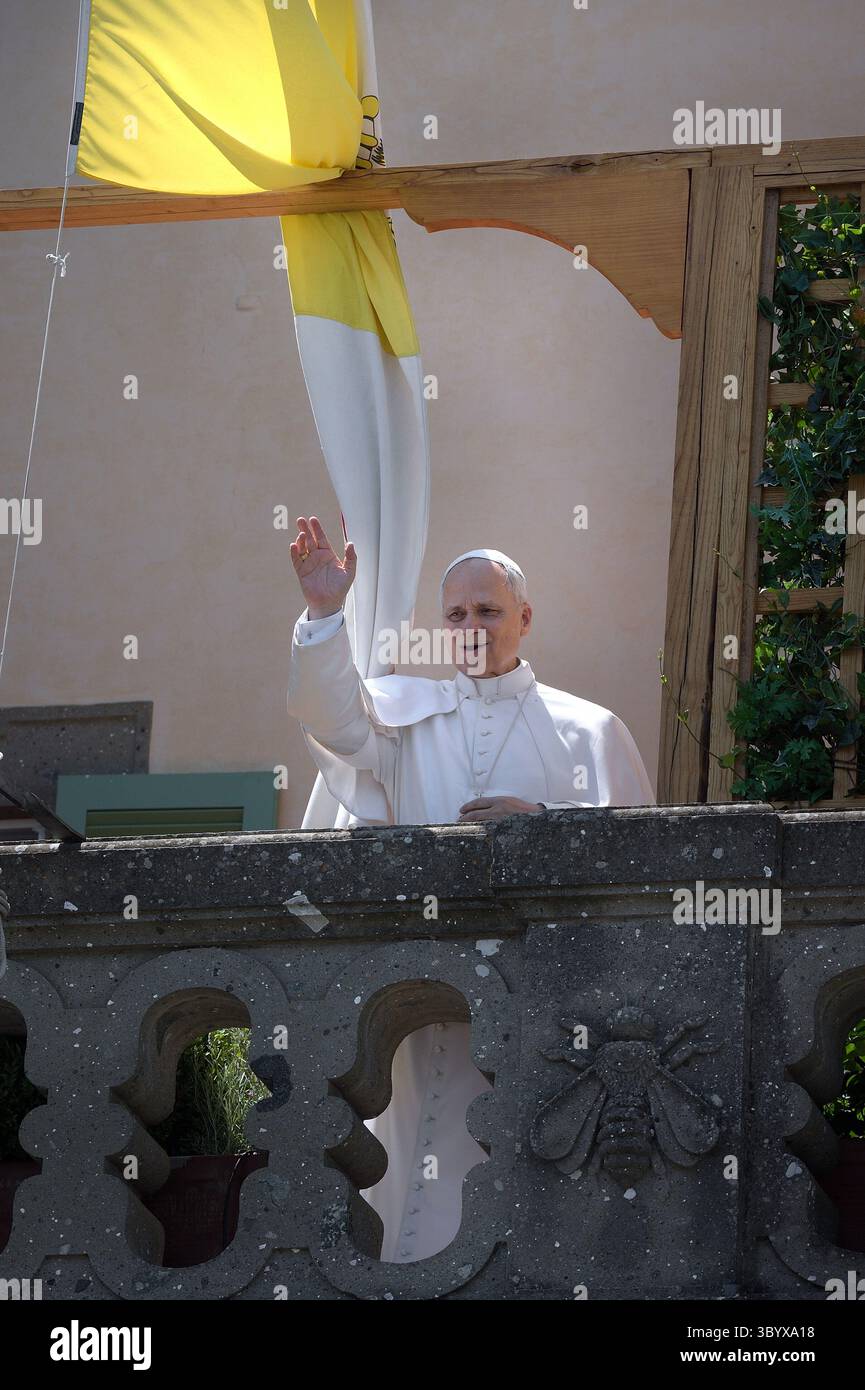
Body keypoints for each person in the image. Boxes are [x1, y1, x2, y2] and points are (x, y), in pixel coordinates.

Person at [286, 514, 655, 1262]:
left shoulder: (589, 730)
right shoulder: (399, 719)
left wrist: (543, 823)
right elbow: (328, 718)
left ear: (524, 618)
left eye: (488, 610)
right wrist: (327, 614)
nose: (472, 626)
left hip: (551, 1007)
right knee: (414, 1180)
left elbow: (637, 865)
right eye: (455, 614)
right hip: (422, 1010)